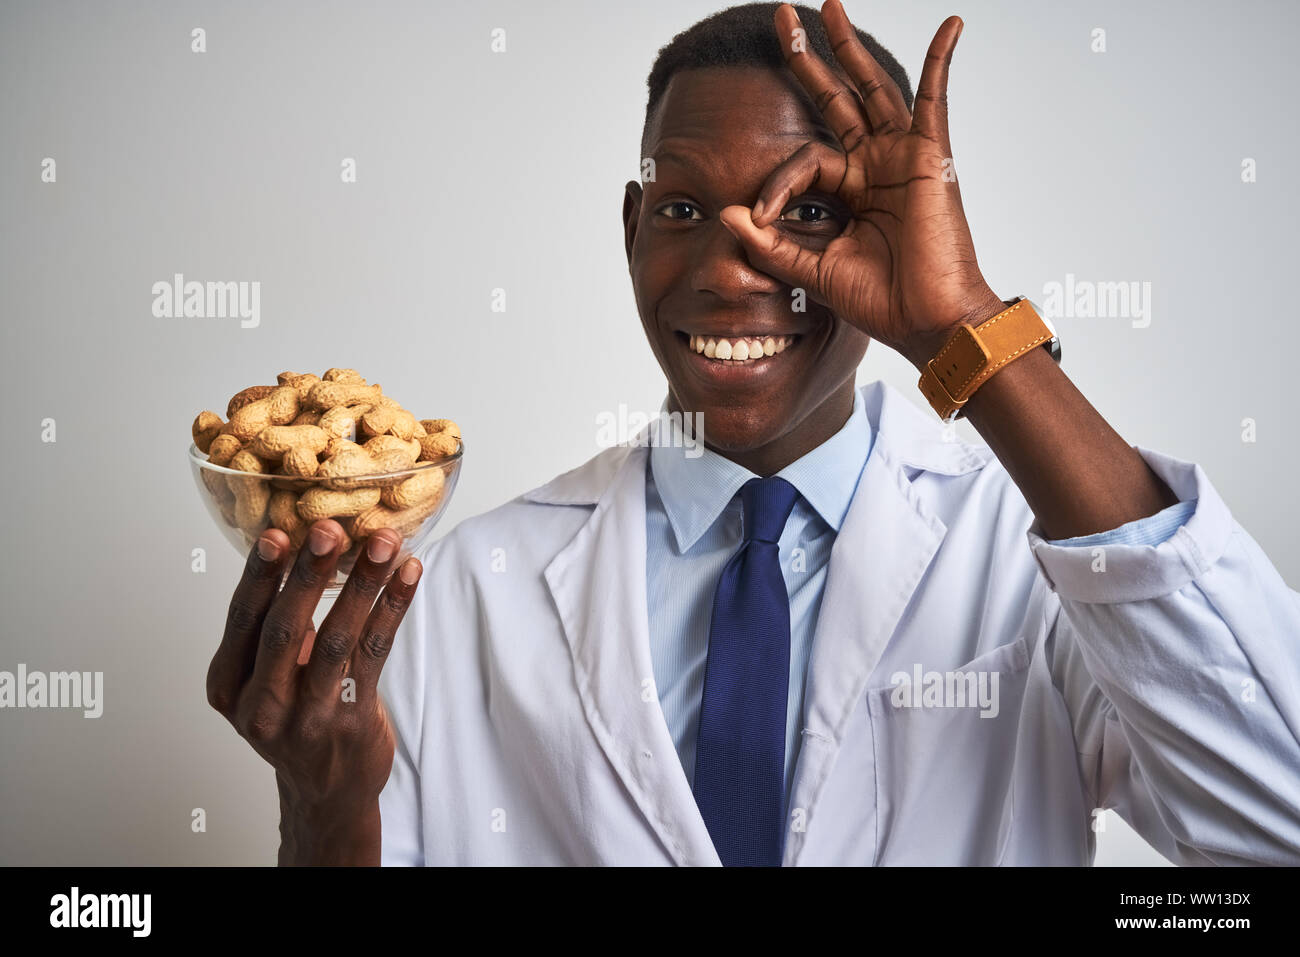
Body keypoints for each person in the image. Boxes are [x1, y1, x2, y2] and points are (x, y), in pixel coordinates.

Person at [205, 1, 1300, 866]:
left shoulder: (1038, 564)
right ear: (631, 232)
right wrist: (323, 799)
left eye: (806, 214)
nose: (732, 271)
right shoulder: (468, 588)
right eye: (680, 210)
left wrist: (962, 326)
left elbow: (1275, 818)